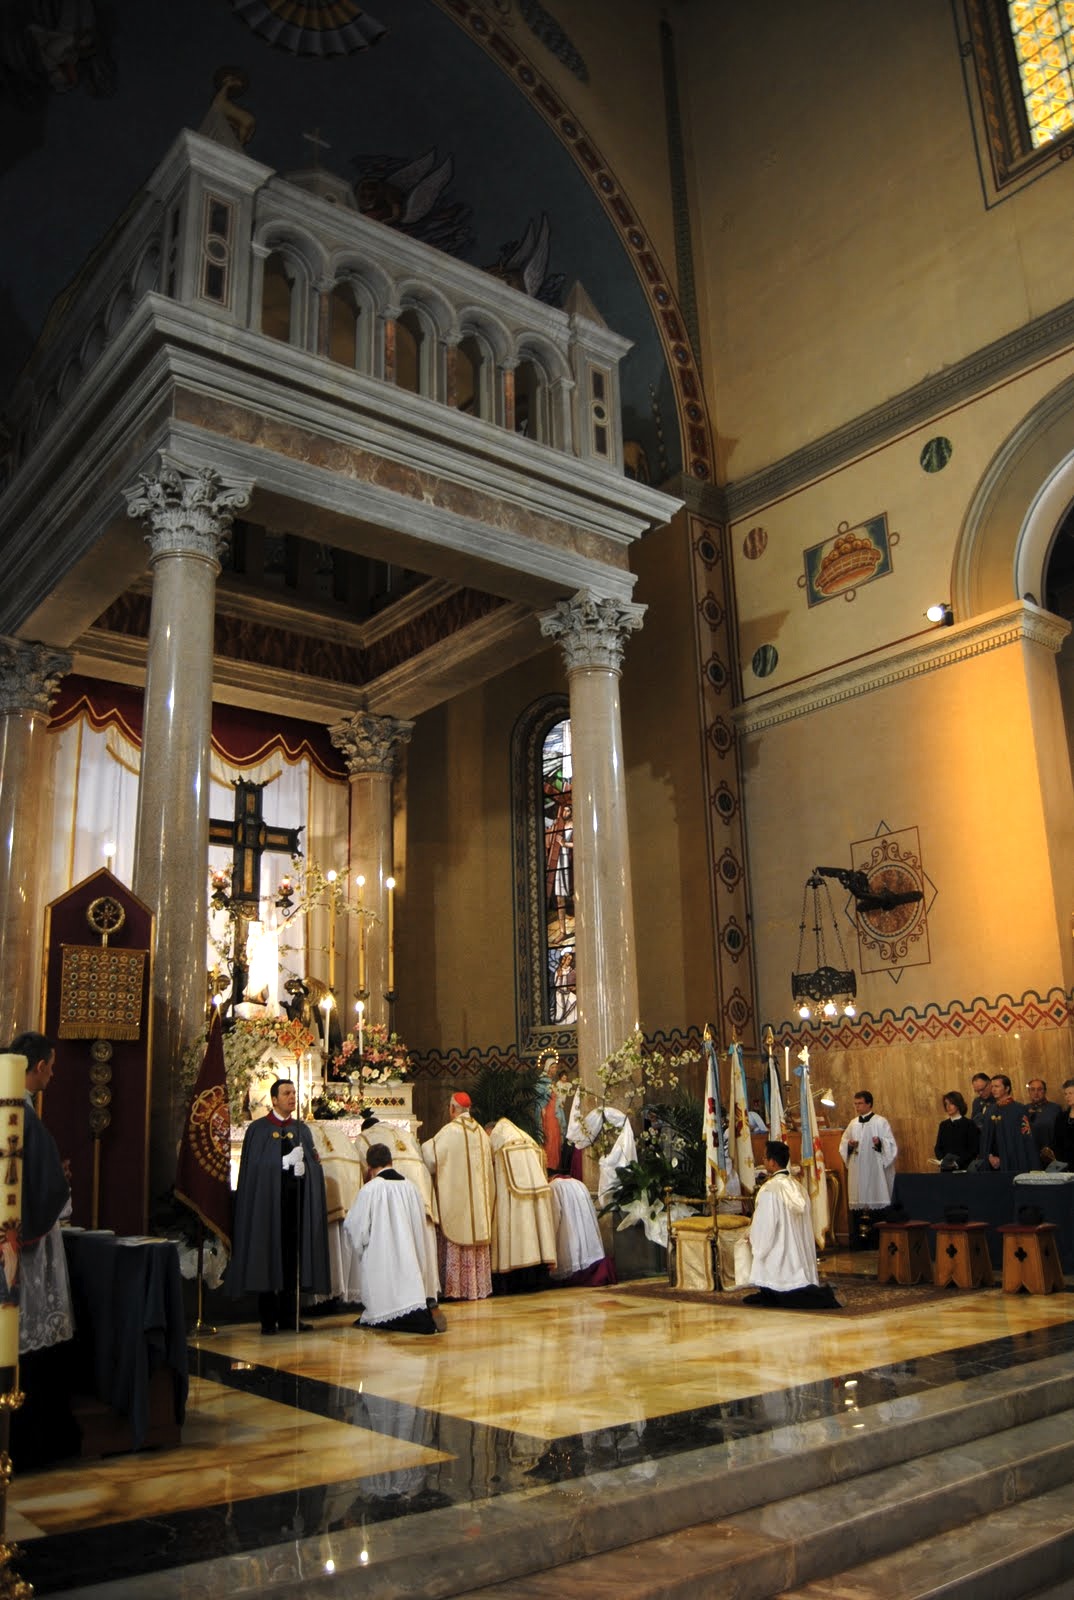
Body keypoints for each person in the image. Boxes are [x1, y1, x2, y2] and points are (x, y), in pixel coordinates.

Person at [8, 1031, 79, 1466]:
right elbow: (41, 1183)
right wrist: (59, 1179)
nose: (52, 1075)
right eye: (50, 1067)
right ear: (37, 1067)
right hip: (25, 1247)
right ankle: (28, 1439)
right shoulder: (23, 1113)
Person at [228, 1078, 331, 1333]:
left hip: (294, 1205)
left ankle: (290, 1317)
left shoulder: (301, 1129)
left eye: (293, 1093)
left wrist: (305, 1168)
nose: (291, 1097)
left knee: (290, 1260)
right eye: (286, 1093)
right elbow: (253, 1171)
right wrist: (282, 1162)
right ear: (274, 1099)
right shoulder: (258, 1130)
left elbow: (315, 1165)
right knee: (267, 1257)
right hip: (267, 1207)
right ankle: (268, 1320)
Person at [342, 1144, 441, 1334]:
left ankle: (402, 1317)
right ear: (391, 1161)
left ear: (369, 1167)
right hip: (411, 1256)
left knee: (381, 1311)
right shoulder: (411, 1187)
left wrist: (362, 1248)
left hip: (382, 1258)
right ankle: (423, 1313)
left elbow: (356, 1229)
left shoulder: (370, 1190)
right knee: (411, 1297)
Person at [741, 1141, 839, 1308]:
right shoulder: (798, 1187)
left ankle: (825, 1296)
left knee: (788, 1294)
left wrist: (753, 1238)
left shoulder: (770, 1190)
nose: (763, 1161)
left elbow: (766, 1227)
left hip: (779, 1257)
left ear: (772, 1162)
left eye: (764, 1158)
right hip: (798, 1255)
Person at [422, 1092, 494, 1300]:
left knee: (457, 1233)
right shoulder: (481, 1132)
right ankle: (477, 1287)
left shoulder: (450, 1132)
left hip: (458, 1201)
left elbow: (429, 1157)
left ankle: (457, 1289)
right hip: (478, 1205)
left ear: (453, 1109)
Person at [488, 1117, 557, 1289]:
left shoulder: (498, 1140)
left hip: (511, 1200)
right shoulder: (528, 1139)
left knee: (515, 1234)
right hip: (536, 1198)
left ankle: (513, 1282)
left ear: (490, 1130)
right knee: (536, 1229)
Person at [838, 1090, 897, 1246]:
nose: (857, 1107)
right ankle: (860, 1241)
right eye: (855, 1104)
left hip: (874, 1169)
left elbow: (891, 1144)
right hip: (858, 1168)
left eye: (860, 1103)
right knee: (858, 1201)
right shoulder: (853, 1123)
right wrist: (849, 1145)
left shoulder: (880, 1122)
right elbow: (843, 1144)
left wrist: (880, 1144)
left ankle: (878, 1240)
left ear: (869, 1104)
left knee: (875, 1198)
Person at [548, 1175, 616, 1286]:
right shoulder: (580, 1184)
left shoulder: (553, 1187)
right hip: (591, 1251)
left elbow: (553, 1218)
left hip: (568, 1242)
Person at [979, 1074, 1039, 1173]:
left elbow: (1026, 1139)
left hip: (1014, 1162)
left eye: (997, 1086)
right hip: (992, 1165)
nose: (993, 1090)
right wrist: (989, 1156)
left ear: (1007, 1088)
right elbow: (985, 1139)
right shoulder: (990, 1110)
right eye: (992, 1087)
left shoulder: (1019, 1110)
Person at [934, 1090, 979, 1170]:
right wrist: (942, 1160)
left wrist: (956, 1163)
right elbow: (938, 1147)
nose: (948, 1107)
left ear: (958, 1104)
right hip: (945, 1169)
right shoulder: (943, 1125)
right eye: (946, 1104)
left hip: (964, 1169)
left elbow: (973, 1149)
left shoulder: (969, 1124)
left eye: (951, 1103)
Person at [1024, 1078, 1060, 1155]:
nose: (1036, 1093)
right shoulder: (1024, 1109)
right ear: (1029, 1092)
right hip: (1029, 1153)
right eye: (1032, 1089)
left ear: (1045, 1091)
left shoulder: (1055, 1108)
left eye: (1039, 1089)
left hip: (1051, 1153)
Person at [1044, 1078, 1074, 1167]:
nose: (1067, 1097)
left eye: (1070, 1093)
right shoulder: (1061, 1116)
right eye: (1065, 1094)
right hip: (1064, 1164)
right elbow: (1056, 1141)